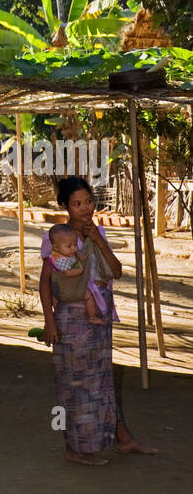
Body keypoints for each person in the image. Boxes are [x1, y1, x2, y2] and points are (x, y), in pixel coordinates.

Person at [40, 177, 156, 466]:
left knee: (101, 380)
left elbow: (115, 272)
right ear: (65, 206)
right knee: (75, 384)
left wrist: (98, 241)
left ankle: (122, 438)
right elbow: (44, 283)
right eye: (77, 204)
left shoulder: (98, 232)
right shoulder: (55, 238)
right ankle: (74, 448)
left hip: (99, 316)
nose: (85, 209)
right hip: (72, 319)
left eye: (88, 201)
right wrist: (49, 321)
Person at [47, 224, 106, 326]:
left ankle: (57, 311)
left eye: (75, 244)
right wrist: (80, 270)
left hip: (59, 291)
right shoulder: (60, 260)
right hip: (68, 291)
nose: (74, 248)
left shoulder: (62, 254)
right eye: (69, 246)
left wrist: (79, 255)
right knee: (88, 295)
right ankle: (92, 317)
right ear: (55, 247)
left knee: (55, 296)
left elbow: (78, 256)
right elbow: (68, 273)